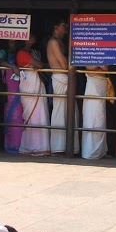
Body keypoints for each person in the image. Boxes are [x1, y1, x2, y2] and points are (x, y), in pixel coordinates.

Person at [44, 22, 70, 155]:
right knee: (60, 110)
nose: (65, 28)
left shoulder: (60, 41)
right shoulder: (53, 42)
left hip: (64, 77)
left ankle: (68, 145)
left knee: (70, 112)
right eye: (63, 25)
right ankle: (58, 147)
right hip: (60, 75)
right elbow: (64, 63)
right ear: (55, 27)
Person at [79, 63, 111, 160]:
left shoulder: (103, 54)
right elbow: (89, 67)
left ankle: (100, 151)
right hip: (93, 85)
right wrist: (99, 67)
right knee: (91, 117)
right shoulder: (90, 53)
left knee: (100, 118)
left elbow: (106, 68)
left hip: (101, 84)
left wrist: (98, 67)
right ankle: (90, 152)